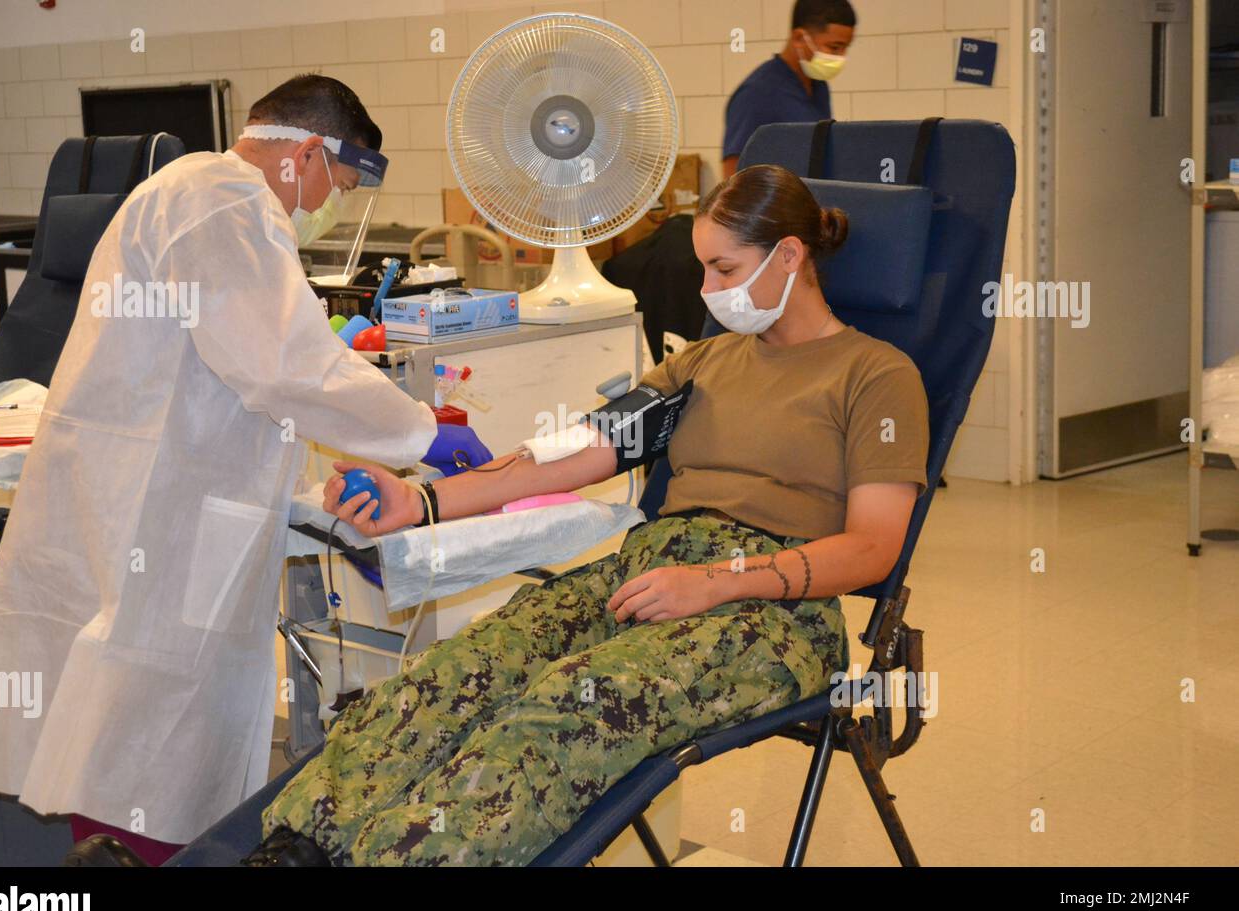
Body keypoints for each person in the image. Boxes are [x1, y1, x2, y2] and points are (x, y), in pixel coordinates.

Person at [250, 164, 930, 866]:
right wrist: (418, 501)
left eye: (724, 269)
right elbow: (569, 452)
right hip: (653, 568)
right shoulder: (701, 365)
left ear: (789, 256)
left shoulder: (876, 376)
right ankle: (296, 846)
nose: (708, 291)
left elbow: (872, 549)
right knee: (462, 666)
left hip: (774, 608)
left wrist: (718, 581)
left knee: (572, 705)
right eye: (703, 270)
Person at [0, 75, 440, 863]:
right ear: (307, 153)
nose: (326, 207)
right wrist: (422, 433)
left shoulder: (193, 194)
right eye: (335, 187)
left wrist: (305, 489)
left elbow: (220, 388)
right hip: (155, 522)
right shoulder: (224, 200)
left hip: (153, 499)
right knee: (142, 734)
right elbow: (281, 367)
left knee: (124, 725)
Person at [722, 0, 857, 179]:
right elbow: (733, 175)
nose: (841, 57)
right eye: (834, 47)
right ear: (799, 38)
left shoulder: (819, 87)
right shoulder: (757, 93)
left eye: (845, 48)